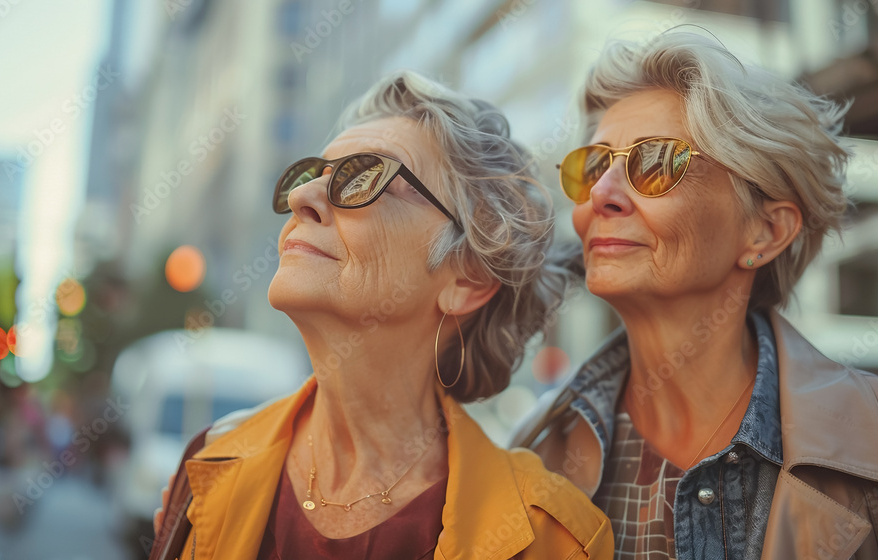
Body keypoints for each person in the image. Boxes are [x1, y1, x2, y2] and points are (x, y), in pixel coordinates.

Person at [511, 32, 878, 559]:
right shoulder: (531, 455)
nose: (601, 195)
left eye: (655, 163)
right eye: (593, 165)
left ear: (765, 231)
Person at [150, 71, 613, 560]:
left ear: (469, 279)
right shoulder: (211, 459)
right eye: (311, 175)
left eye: (363, 177)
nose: (300, 198)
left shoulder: (554, 538)